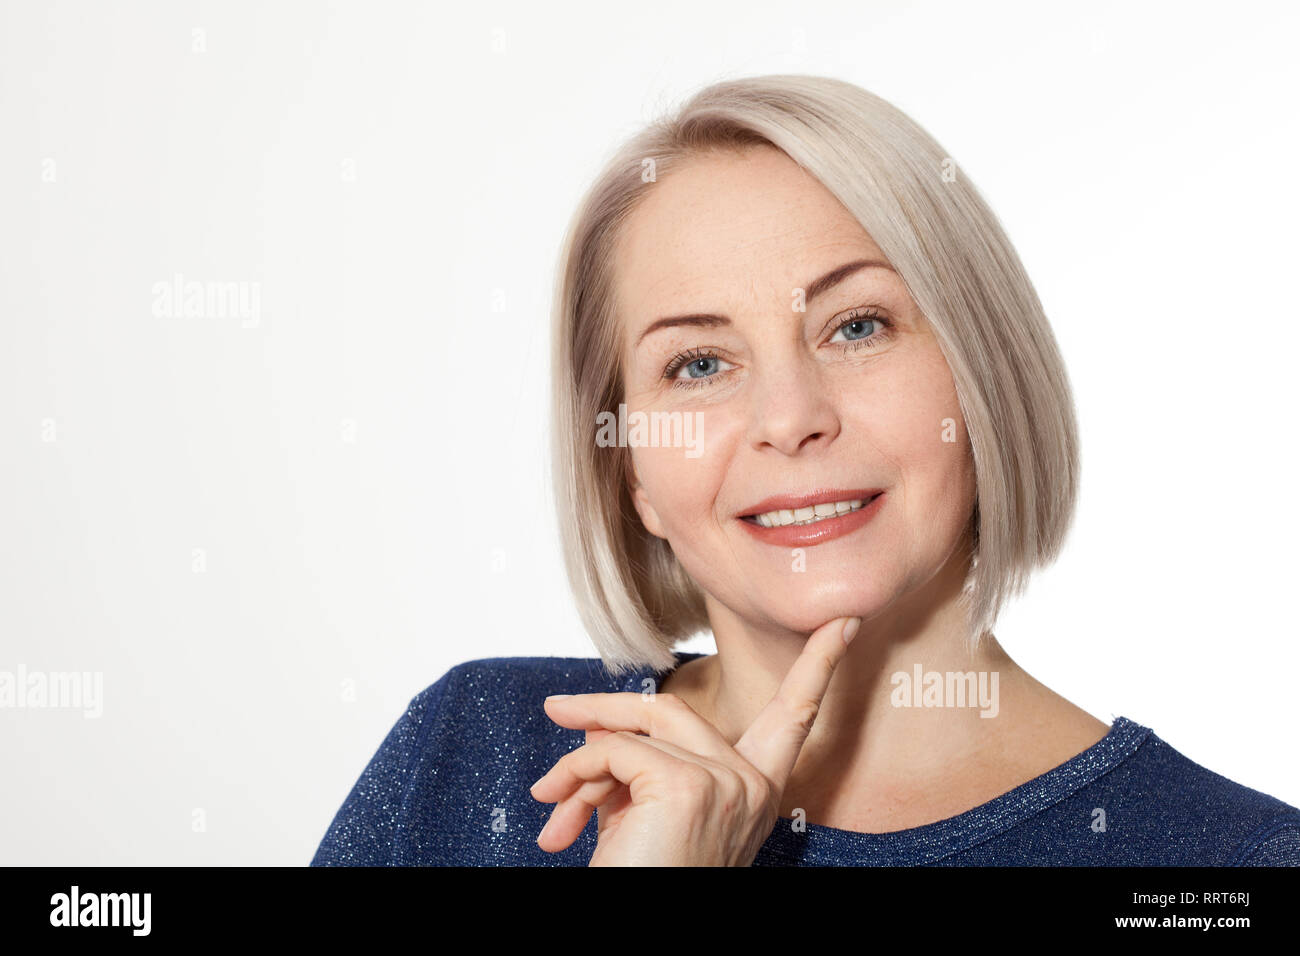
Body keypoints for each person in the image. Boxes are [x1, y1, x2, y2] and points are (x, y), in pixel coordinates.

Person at [311, 74, 1300, 866]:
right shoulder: (477, 754)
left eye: (856, 325)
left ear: (983, 375)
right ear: (630, 473)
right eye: (698, 364)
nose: (787, 418)